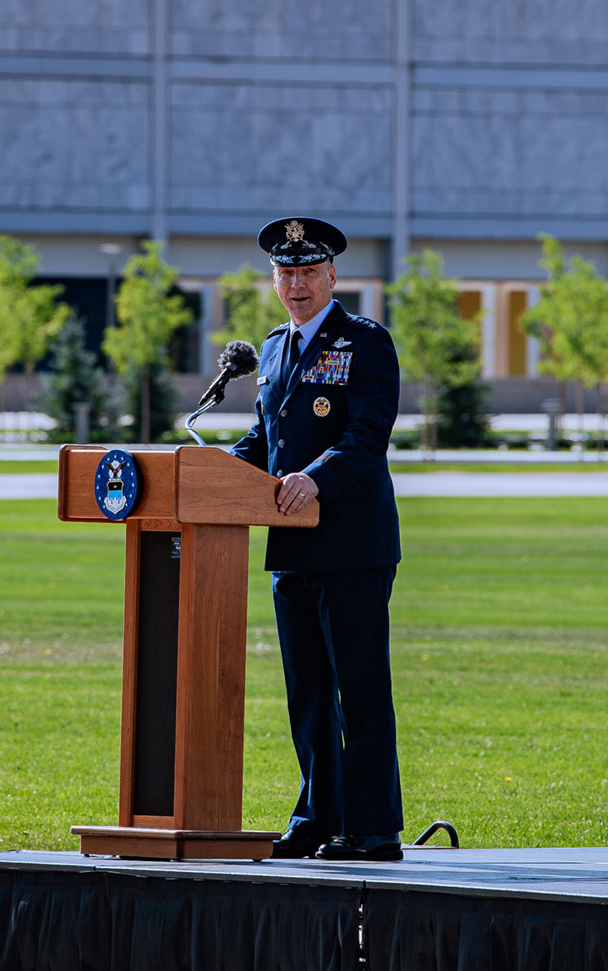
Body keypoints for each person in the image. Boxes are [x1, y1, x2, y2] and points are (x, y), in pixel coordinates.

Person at [230, 216, 405, 861]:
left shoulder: (364, 342)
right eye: (286, 271)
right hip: (291, 544)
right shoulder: (273, 348)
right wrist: (215, 470)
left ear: (333, 275)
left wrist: (315, 478)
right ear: (274, 280)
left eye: (309, 271)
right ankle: (318, 814)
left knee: (358, 688)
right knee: (305, 687)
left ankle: (372, 827)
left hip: (351, 541)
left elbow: (367, 435)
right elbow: (266, 443)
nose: (297, 283)